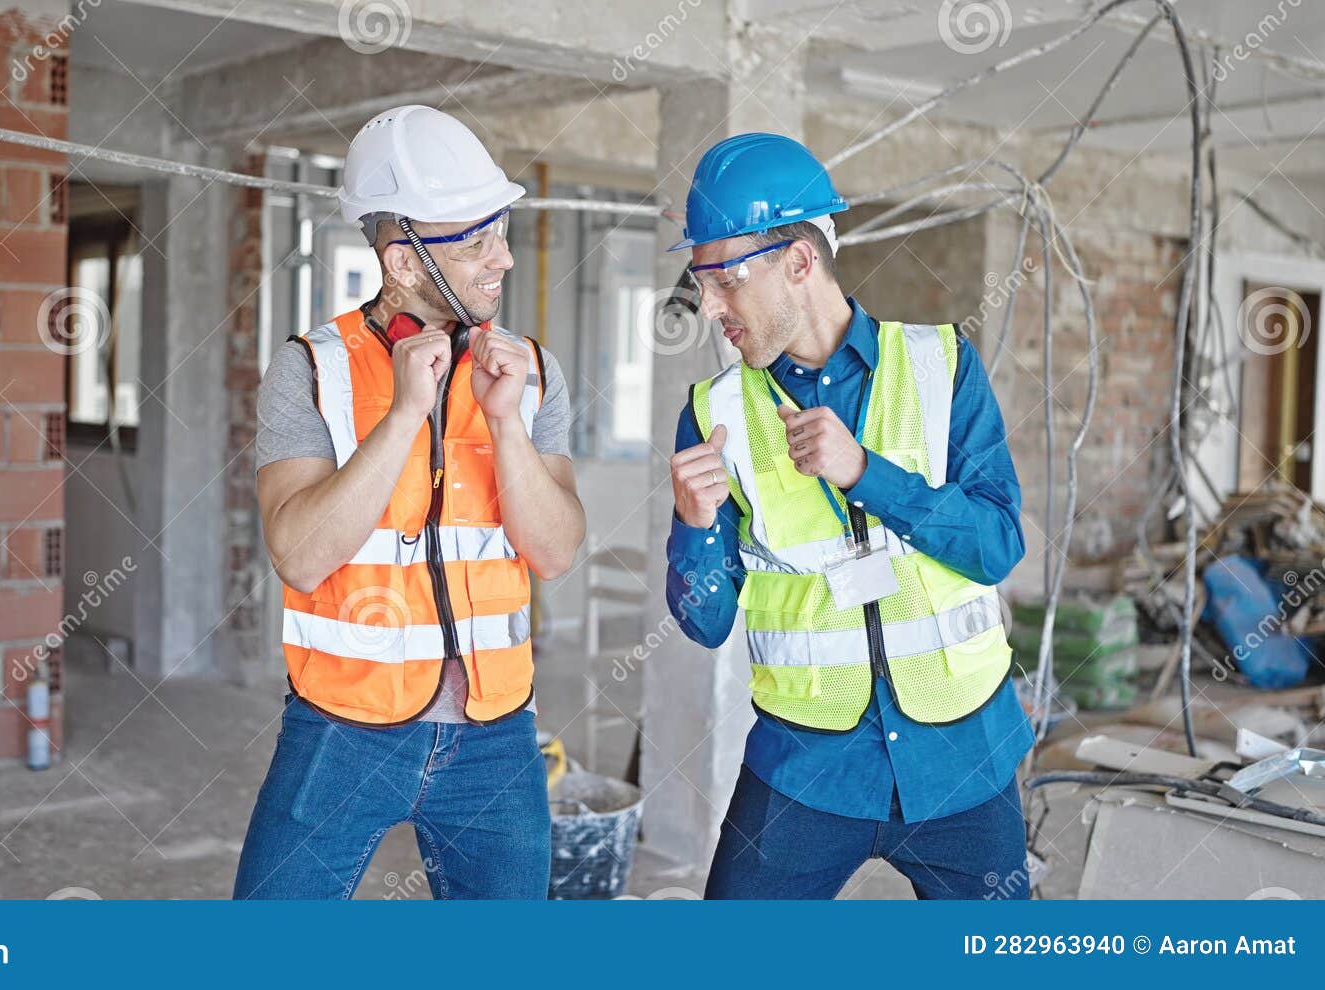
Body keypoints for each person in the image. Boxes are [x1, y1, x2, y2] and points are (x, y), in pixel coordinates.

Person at [664, 132, 1033, 900]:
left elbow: (997, 545)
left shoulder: (943, 367)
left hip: (962, 759)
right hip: (806, 769)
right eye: (700, 283)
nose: (708, 308)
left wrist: (869, 475)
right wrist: (695, 525)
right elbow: (704, 625)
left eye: (724, 280)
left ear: (799, 263)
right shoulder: (715, 413)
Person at [232, 105, 585, 900]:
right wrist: (399, 418)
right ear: (401, 260)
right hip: (340, 725)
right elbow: (299, 551)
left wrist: (505, 423)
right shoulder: (311, 371)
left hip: (497, 734)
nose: (503, 259)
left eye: (501, 230)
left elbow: (556, 551)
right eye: (475, 241)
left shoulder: (528, 372)